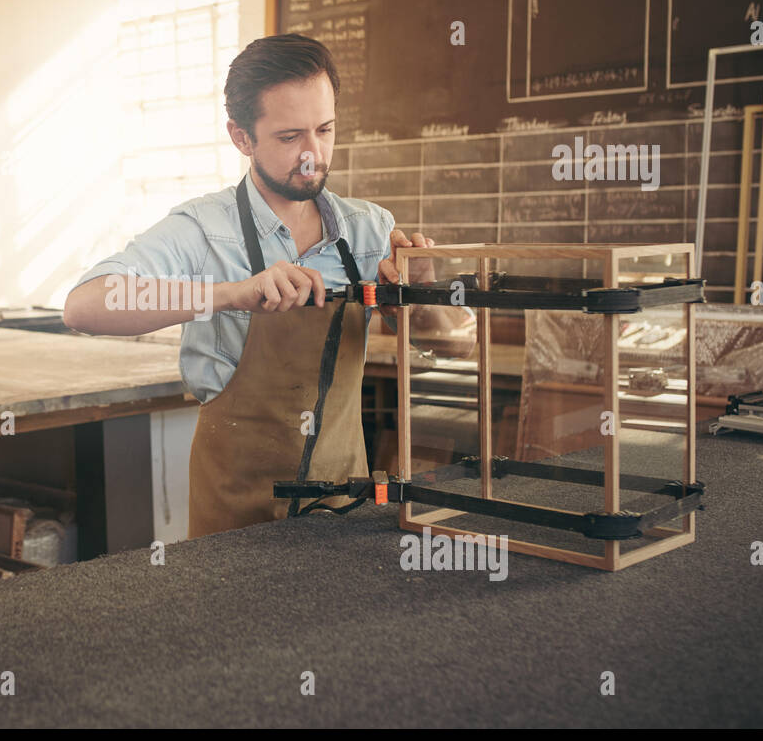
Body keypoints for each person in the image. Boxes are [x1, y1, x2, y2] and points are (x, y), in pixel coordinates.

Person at [64, 33, 472, 537]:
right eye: (289, 137)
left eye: (325, 130)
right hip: (233, 511)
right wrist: (230, 295)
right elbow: (84, 307)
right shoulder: (203, 229)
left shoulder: (369, 232)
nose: (312, 154)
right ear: (241, 138)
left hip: (344, 507)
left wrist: (420, 299)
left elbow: (454, 345)